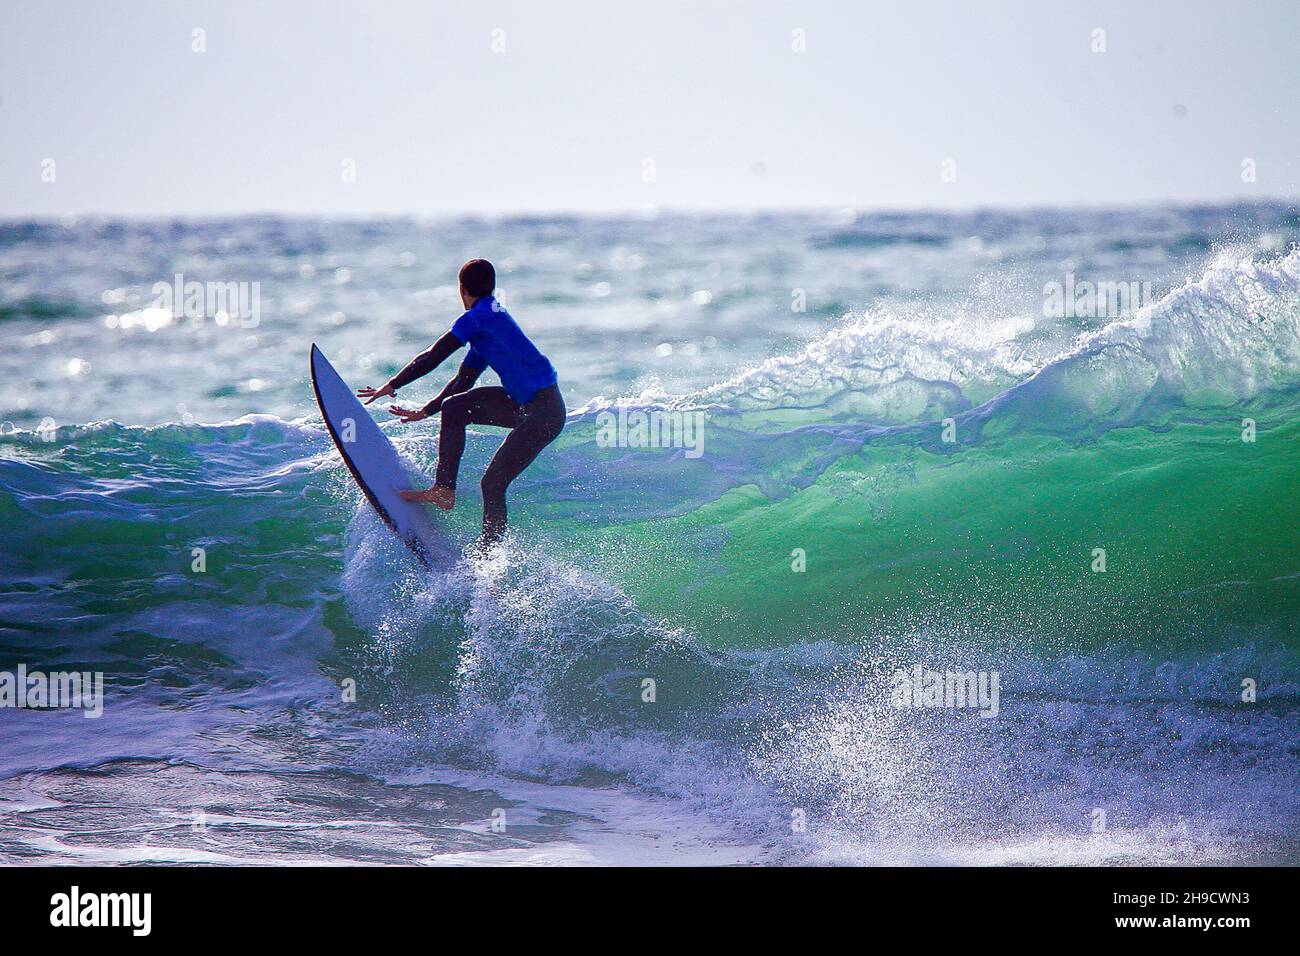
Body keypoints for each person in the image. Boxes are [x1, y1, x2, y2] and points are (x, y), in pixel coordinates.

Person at [356, 259, 565, 545]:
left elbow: (432, 356)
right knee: (454, 406)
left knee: (493, 483)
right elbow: (461, 382)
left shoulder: (477, 319)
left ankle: (489, 559)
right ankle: (443, 489)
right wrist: (427, 411)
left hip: (542, 413)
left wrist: (391, 385)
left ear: (462, 289)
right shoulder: (491, 323)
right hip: (531, 406)